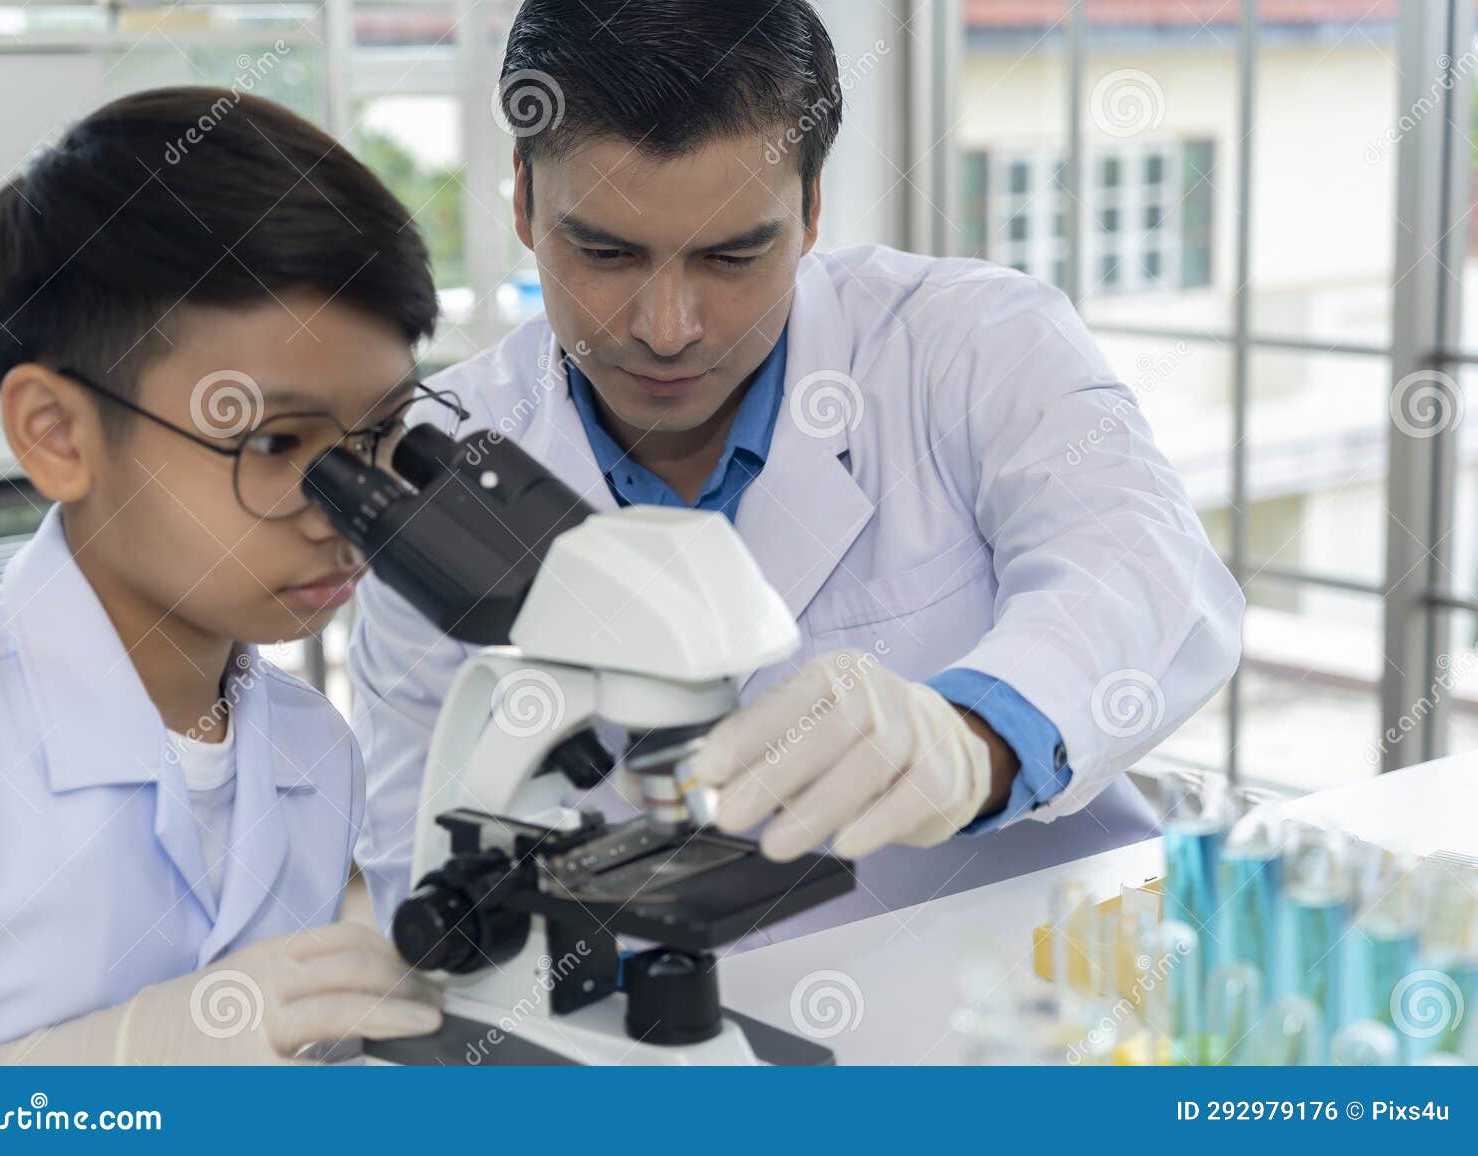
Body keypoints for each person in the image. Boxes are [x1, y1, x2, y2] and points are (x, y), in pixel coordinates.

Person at [348, 0, 1244, 942]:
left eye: (734, 255)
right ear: (525, 205)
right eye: (606, 252)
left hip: (1031, 1007)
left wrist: (972, 737)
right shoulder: (449, 459)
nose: (667, 328)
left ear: (812, 210)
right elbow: (418, 856)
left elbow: (1143, 570)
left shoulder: (969, 343)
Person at [0, 87, 442, 1063]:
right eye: (273, 439)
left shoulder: (313, 749)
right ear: (58, 434)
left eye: (381, 432)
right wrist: (120, 1058)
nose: (350, 510)